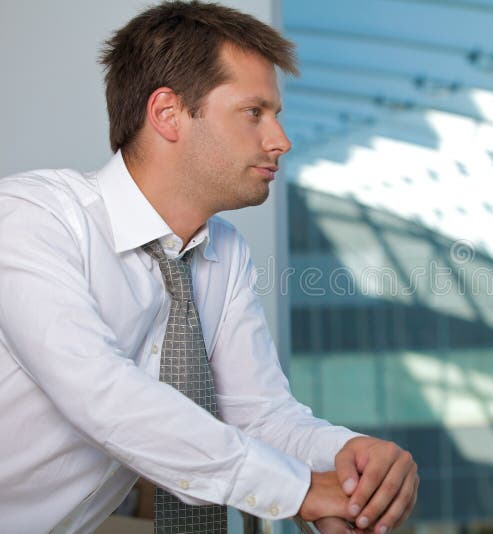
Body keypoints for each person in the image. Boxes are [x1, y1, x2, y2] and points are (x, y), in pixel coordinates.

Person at [0, 1, 417, 533]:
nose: (280, 141)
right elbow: (103, 394)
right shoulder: (31, 218)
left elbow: (259, 414)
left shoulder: (224, 251)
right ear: (168, 114)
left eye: (277, 116)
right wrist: (301, 490)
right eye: (254, 112)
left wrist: (351, 460)